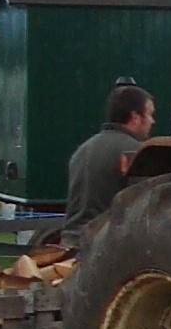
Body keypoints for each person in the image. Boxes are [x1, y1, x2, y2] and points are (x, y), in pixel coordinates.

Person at [64, 83, 154, 230]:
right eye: (150, 114)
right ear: (135, 116)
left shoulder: (83, 149)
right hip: (106, 245)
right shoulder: (136, 153)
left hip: (72, 240)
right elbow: (143, 209)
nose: (152, 121)